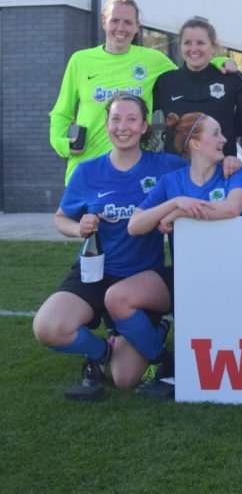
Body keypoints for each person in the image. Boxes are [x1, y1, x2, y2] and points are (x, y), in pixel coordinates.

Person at [33, 93, 183, 400]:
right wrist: (79, 227)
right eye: (115, 119)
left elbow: (203, 174)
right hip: (95, 272)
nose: (122, 126)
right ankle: (100, 351)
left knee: (125, 378)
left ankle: (153, 336)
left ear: (144, 127)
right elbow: (61, 219)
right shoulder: (87, 171)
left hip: (140, 279)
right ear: (106, 124)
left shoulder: (166, 166)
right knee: (48, 328)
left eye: (131, 119)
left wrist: (230, 162)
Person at [128, 111, 242, 398]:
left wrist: (181, 213)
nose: (224, 140)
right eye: (216, 133)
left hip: (232, 278)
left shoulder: (235, 172)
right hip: (186, 278)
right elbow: (135, 225)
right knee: (118, 298)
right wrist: (174, 202)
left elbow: (232, 209)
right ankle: (162, 357)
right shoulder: (172, 182)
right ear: (195, 144)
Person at [49, 0, 177, 183]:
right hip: (88, 168)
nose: (121, 28)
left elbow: (189, 77)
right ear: (103, 22)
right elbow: (61, 113)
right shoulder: (80, 60)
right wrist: (62, 144)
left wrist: (219, 62)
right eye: (114, 21)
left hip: (136, 170)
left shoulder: (153, 60)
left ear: (136, 27)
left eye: (128, 22)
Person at [152, 17, 242, 170]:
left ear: (213, 46)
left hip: (221, 172)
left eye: (200, 43)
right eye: (187, 43)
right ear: (180, 46)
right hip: (176, 172)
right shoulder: (166, 82)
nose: (193, 49)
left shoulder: (230, 78)